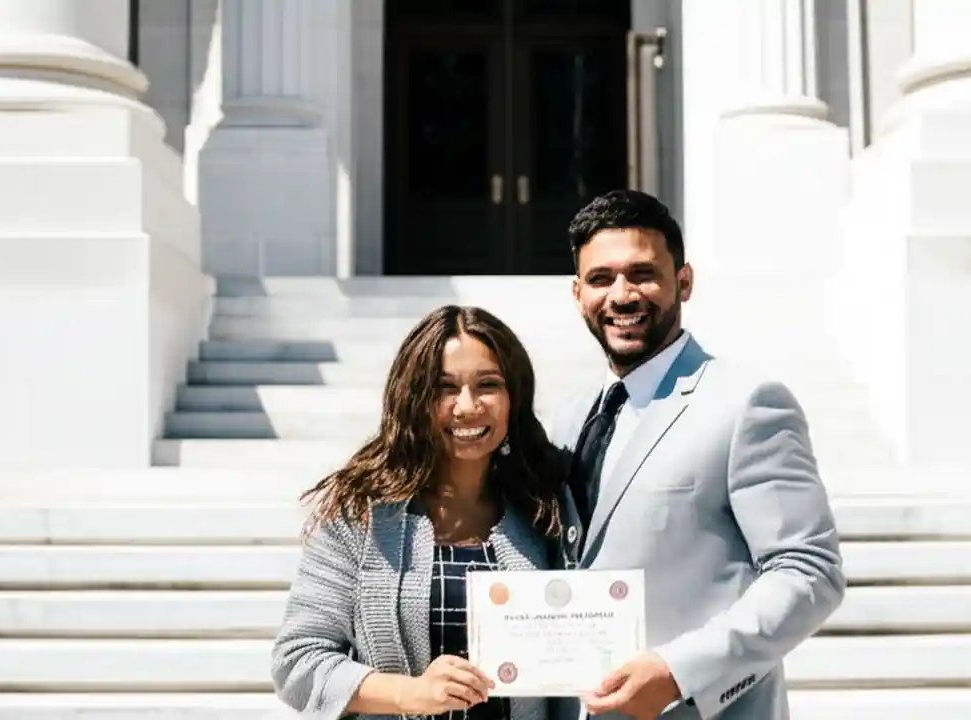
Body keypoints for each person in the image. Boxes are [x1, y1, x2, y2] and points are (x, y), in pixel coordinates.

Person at [552, 190, 845, 720]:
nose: (621, 295)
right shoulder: (568, 420)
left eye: (642, 274)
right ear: (578, 294)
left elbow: (809, 572)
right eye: (601, 279)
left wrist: (677, 671)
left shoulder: (747, 404)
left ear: (683, 282)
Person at [272, 305, 575, 720]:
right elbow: (297, 661)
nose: (467, 406)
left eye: (488, 384)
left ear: (514, 397)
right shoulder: (360, 516)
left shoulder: (546, 510)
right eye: (444, 388)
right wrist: (407, 694)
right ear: (413, 398)